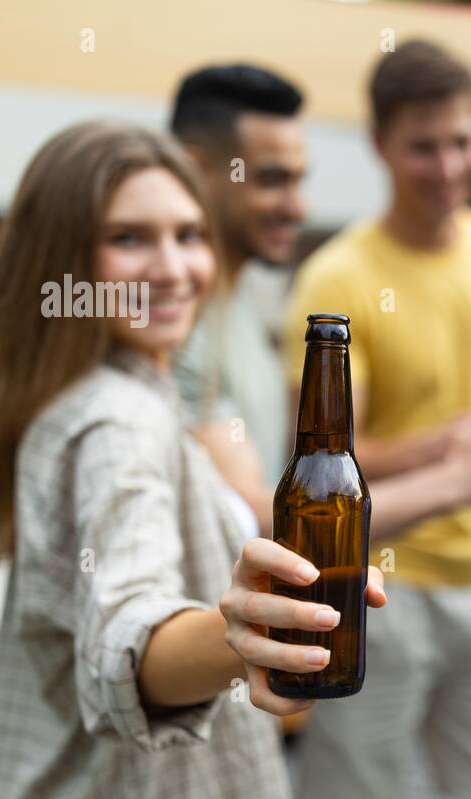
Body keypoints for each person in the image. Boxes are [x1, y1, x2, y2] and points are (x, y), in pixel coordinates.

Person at [0, 121, 471, 799]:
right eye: (130, 238)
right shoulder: (113, 422)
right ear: (60, 259)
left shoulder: (128, 382)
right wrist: (241, 641)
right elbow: (127, 633)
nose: (173, 267)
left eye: (189, 234)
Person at [284, 40, 471, 799]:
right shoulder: (338, 275)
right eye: (422, 145)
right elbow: (334, 458)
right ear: (378, 145)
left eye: (463, 142)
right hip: (382, 588)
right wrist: (443, 446)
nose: (447, 165)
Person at [168, 64, 309, 533]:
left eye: (298, 180)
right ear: (197, 171)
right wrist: (458, 483)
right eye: (272, 181)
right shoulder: (171, 322)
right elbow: (253, 517)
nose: (298, 207)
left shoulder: (240, 294)